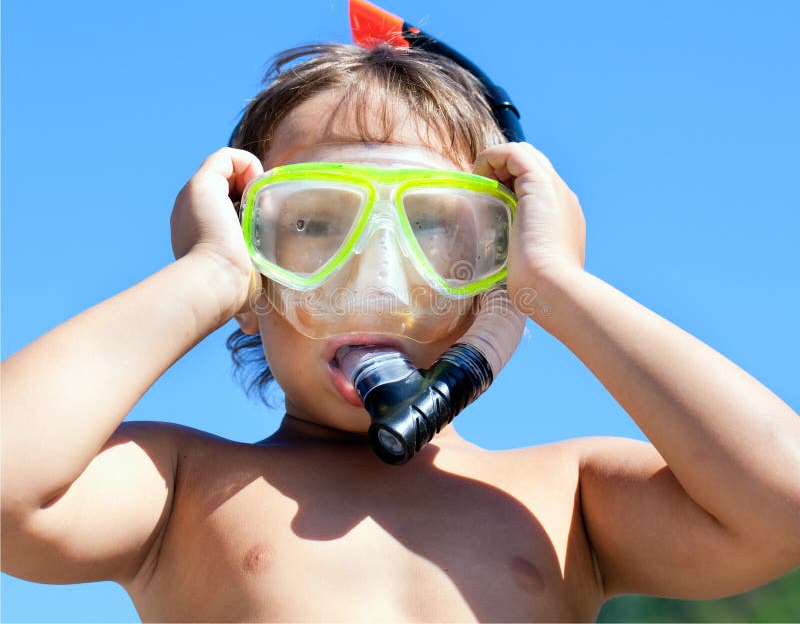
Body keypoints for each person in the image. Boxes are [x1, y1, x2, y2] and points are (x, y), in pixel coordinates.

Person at [2, 40, 799, 623]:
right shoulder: (182, 490)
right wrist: (203, 277)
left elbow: (782, 501)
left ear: (499, 273)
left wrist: (561, 288)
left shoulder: (570, 499)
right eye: (313, 225)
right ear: (252, 268)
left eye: (436, 230)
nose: (376, 282)